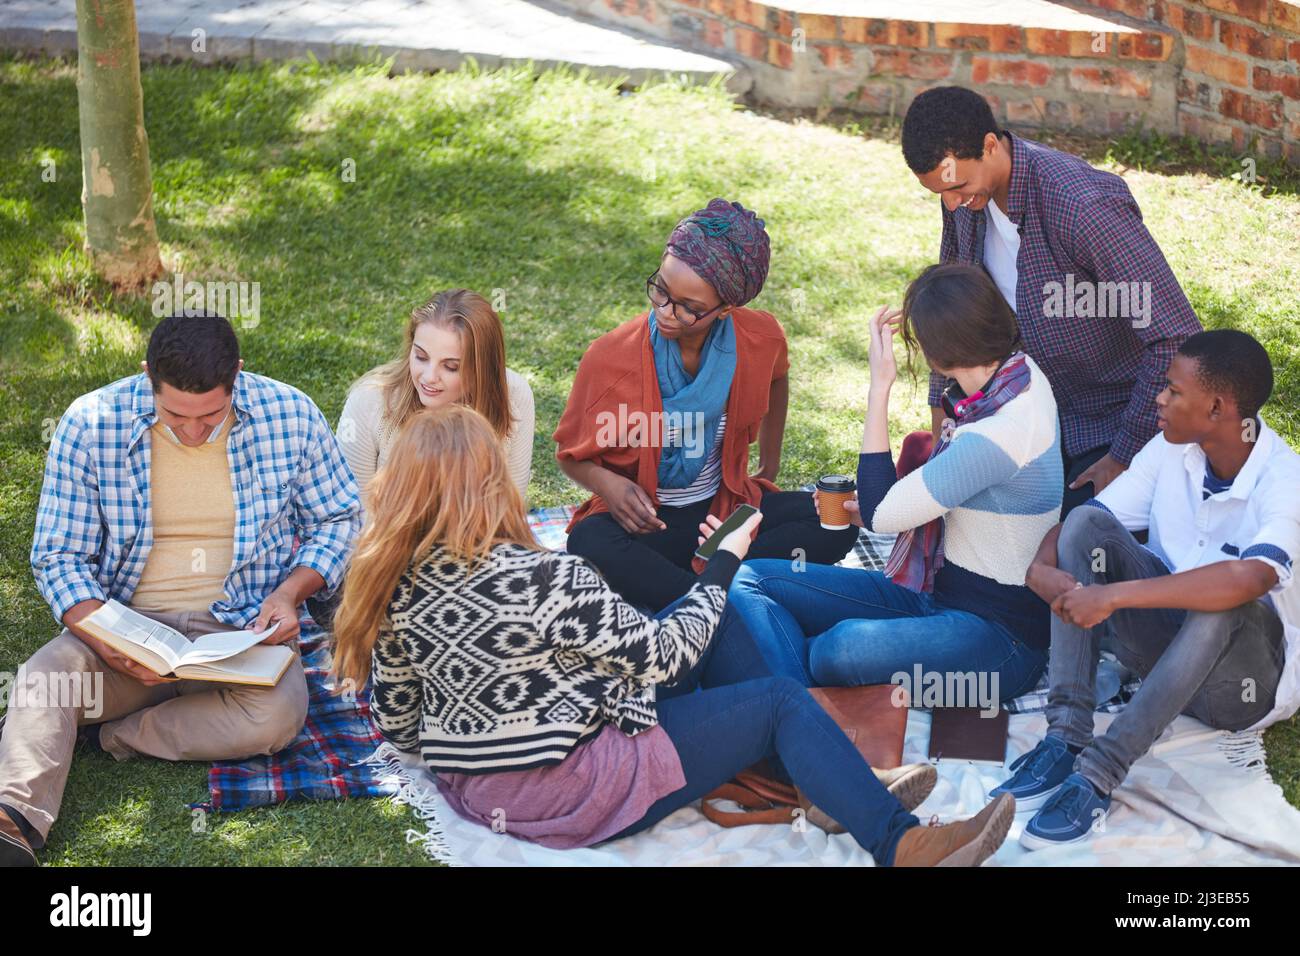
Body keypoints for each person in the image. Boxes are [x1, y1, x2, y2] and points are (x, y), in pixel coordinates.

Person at [332, 404, 1017, 866]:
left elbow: (402, 731)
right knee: (772, 693)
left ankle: (823, 778)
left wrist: (500, 720)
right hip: (576, 792)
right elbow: (666, 657)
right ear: (488, 487)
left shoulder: (394, 584)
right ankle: (898, 844)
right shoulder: (546, 579)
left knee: (704, 628)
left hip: (480, 794)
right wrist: (724, 559)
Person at [0, 314, 361, 867]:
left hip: (241, 631)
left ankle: (116, 735)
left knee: (277, 718)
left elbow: (338, 518)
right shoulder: (90, 423)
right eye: (175, 415)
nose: (194, 431)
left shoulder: (292, 414)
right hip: (125, 623)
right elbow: (58, 557)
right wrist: (107, 639)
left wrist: (290, 594)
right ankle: (14, 822)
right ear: (148, 377)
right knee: (43, 681)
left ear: (237, 376)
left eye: (211, 415)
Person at [998, 329, 1298, 850]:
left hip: (1241, 688)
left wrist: (1112, 598)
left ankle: (1096, 775)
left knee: (1222, 601)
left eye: (1174, 391)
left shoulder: (1286, 478)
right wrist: (1040, 567)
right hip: (1165, 659)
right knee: (1084, 527)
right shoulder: (1169, 450)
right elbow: (1093, 520)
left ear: (1218, 407)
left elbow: (1251, 579)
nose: (1159, 398)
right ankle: (1065, 736)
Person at [723, 264, 1060, 705]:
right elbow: (903, 503)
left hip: (1002, 641)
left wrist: (879, 386)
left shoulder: (996, 433)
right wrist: (892, 505)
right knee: (749, 579)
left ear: (937, 356)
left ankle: (790, 706)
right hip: (939, 591)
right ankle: (796, 701)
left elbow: (882, 513)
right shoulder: (1021, 374)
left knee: (834, 650)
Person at [900, 86, 1202, 516]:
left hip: (1108, 426)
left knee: (1061, 549)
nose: (952, 203)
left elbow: (1176, 338)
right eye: (940, 195)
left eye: (958, 186)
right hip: (1023, 417)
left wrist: (1124, 457)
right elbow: (950, 320)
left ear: (990, 145)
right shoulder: (963, 198)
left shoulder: (1082, 206)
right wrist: (941, 450)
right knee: (953, 524)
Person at [555, 199, 856, 612]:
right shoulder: (610, 357)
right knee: (589, 540)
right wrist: (609, 485)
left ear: (727, 309)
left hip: (723, 514)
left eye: (689, 308)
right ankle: (724, 597)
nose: (665, 311)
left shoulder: (758, 337)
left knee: (836, 520)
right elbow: (569, 456)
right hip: (647, 524)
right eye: (661, 289)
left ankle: (690, 593)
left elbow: (778, 375)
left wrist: (769, 464)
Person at [337, 288, 534, 504]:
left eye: (451, 367)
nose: (429, 377)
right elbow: (353, 513)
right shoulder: (368, 401)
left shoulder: (514, 395)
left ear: (482, 369)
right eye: (421, 356)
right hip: (388, 536)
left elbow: (511, 505)